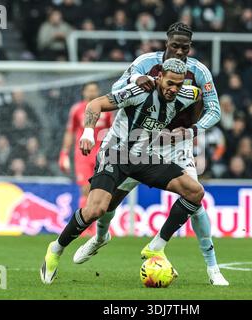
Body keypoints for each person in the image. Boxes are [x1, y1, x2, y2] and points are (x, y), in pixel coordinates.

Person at [73, 22, 228, 286]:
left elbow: (214, 110)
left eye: (185, 47)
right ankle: (99, 238)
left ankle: (212, 268)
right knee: (109, 202)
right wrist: (136, 79)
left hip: (177, 145)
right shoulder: (146, 62)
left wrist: (190, 131)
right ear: (166, 43)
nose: (180, 51)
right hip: (142, 142)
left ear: (190, 48)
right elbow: (118, 86)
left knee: (195, 200)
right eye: (175, 45)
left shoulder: (199, 71)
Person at [41, 58, 208, 285]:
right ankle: (56, 249)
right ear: (159, 78)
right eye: (170, 83)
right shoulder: (139, 90)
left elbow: (199, 95)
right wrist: (89, 133)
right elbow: (95, 105)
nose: (174, 89)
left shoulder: (185, 93)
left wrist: (189, 126)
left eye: (178, 84)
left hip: (144, 157)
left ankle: (156, 246)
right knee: (96, 210)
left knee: (194, 192)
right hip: (115, 154)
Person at [58, 83, 112, 209]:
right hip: (83, 155)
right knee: (86, 190)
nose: (92, 93)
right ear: (84, 92)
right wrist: (64, 153)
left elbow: (113, 130)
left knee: (101, 192)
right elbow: (70, 131)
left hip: (102, 155)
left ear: (98, 92)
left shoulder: (106, 110)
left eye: (94, 90)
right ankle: (86, 228)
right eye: (89, 90)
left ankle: (97, 226)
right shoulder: (77, 109)